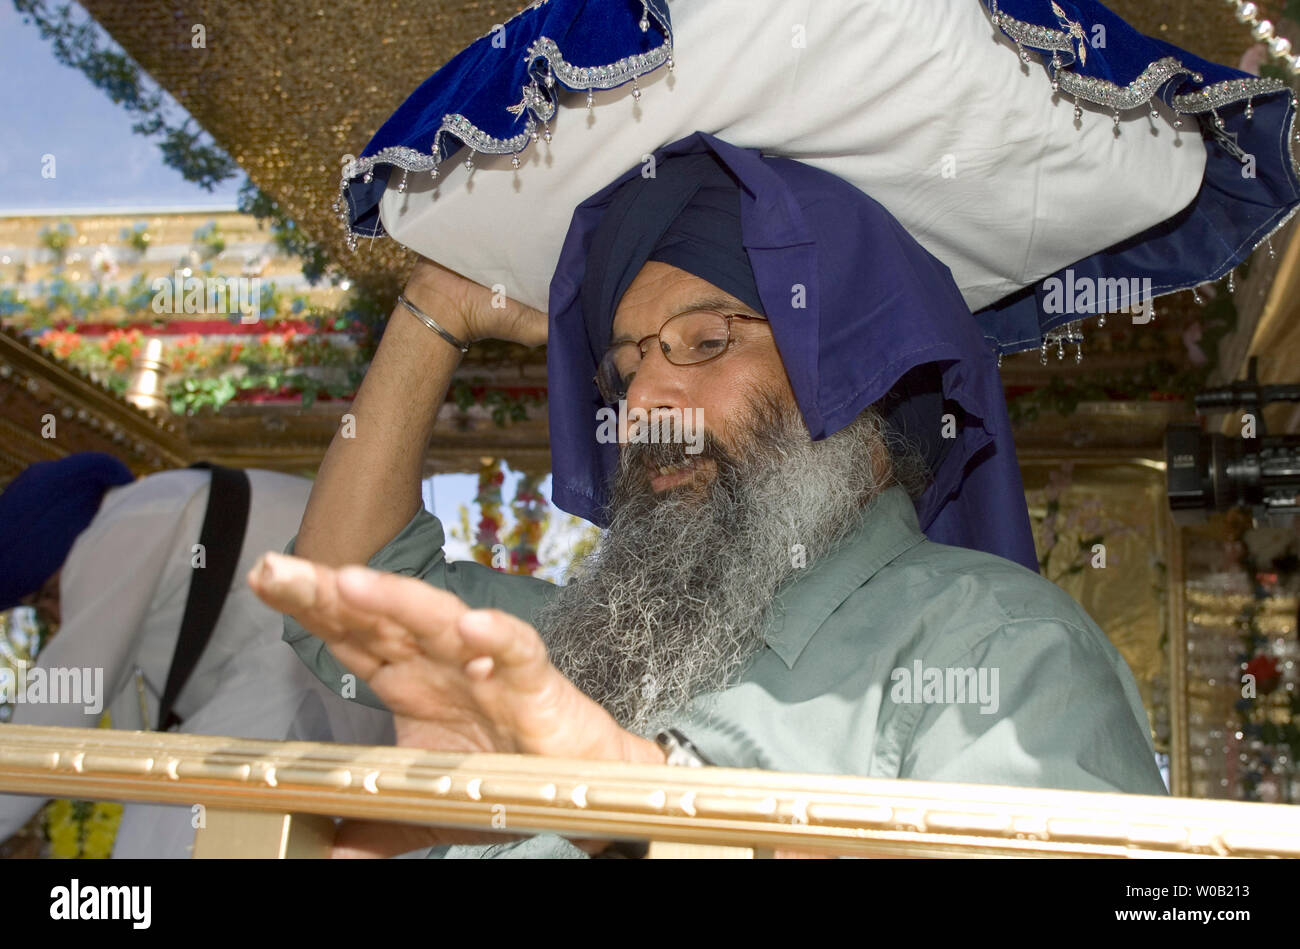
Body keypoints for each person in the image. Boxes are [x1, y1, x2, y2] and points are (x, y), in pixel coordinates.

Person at [249, 138, 1168, 860]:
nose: (643, 403)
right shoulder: (595, 638)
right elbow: (341, 590)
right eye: (625, 364)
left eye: (703, 340)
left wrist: (640, 807)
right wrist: (436, 305)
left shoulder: (998, 651)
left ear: (841, 364)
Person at [0, 454, 394, 858]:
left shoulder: (118, 529)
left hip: (301, 668)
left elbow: (63, 705)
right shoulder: (159, 505)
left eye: (45, 596)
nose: (52, 615)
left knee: (172, 831)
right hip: (350, 670)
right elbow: (137, 726)